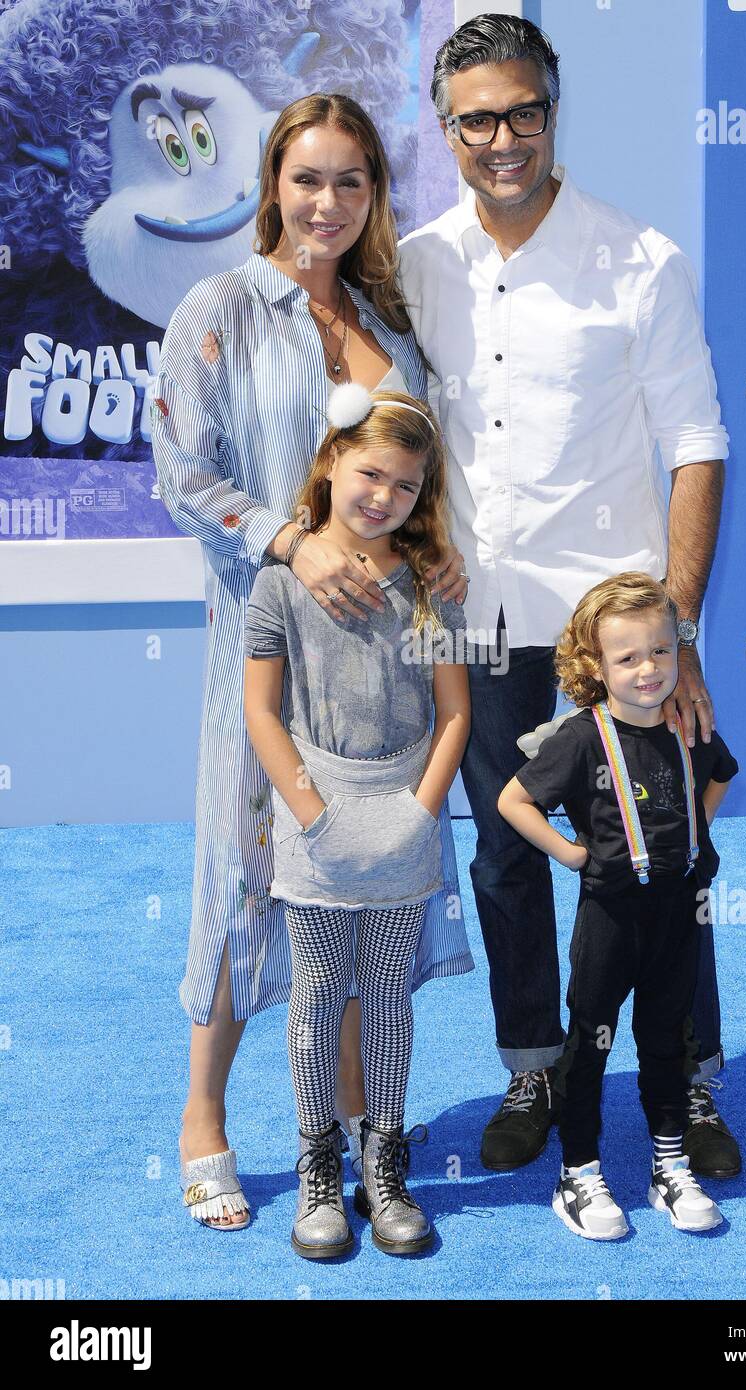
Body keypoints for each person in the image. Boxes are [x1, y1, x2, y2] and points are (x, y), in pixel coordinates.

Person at [396, 13, 740, 1175]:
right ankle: (535, 1065)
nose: (503, 140)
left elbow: (697, 443)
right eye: (476, 120)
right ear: (444, 129)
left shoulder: (640, 260)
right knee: (505, 859)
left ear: (554, 110)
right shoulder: (417, 265)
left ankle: (687, 1082)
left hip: (615, 634)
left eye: (523, 113)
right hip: (480, 622)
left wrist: (677, 627)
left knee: (662, 855)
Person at [152, 93, 469, 1231]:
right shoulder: (220, 307)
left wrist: (439, 553)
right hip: (269, 638)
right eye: (306, 178)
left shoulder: (389, 320)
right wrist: (291, 541)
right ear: (270, 185)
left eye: (350, 181)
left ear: (374, 193)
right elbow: (181, 475)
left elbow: (418, 469)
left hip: (386, 661)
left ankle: (351, 1121)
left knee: (366, 879)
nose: (326, 202)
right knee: (246, 871)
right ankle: (203, 1119)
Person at [242, 382, 470, 1258]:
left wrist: (420, 814)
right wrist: (312, 815)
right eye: (371, 473)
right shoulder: (277, 584)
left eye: (406, 485)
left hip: (404, 822)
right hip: (318, 828)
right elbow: (261, 712)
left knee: (386, 997)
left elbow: (454, 713)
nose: (384, 496)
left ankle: (384, 1167)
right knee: (314, 997)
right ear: (333, 461)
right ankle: (317, 1170)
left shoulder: (434, 589)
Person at [498, 574, 739, 1238]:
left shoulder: (686, 729)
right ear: (594, 666)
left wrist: (693, 836)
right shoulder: (580, 739)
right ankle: (578, 1172)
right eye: (627, 657)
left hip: (678, 913)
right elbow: (513, 800)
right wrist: (569, 853)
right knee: (591, 1043)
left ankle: (669, 1164)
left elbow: (720, 776)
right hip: (610, 919)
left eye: (660, 651)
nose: (648, 669)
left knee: (666, 1040)